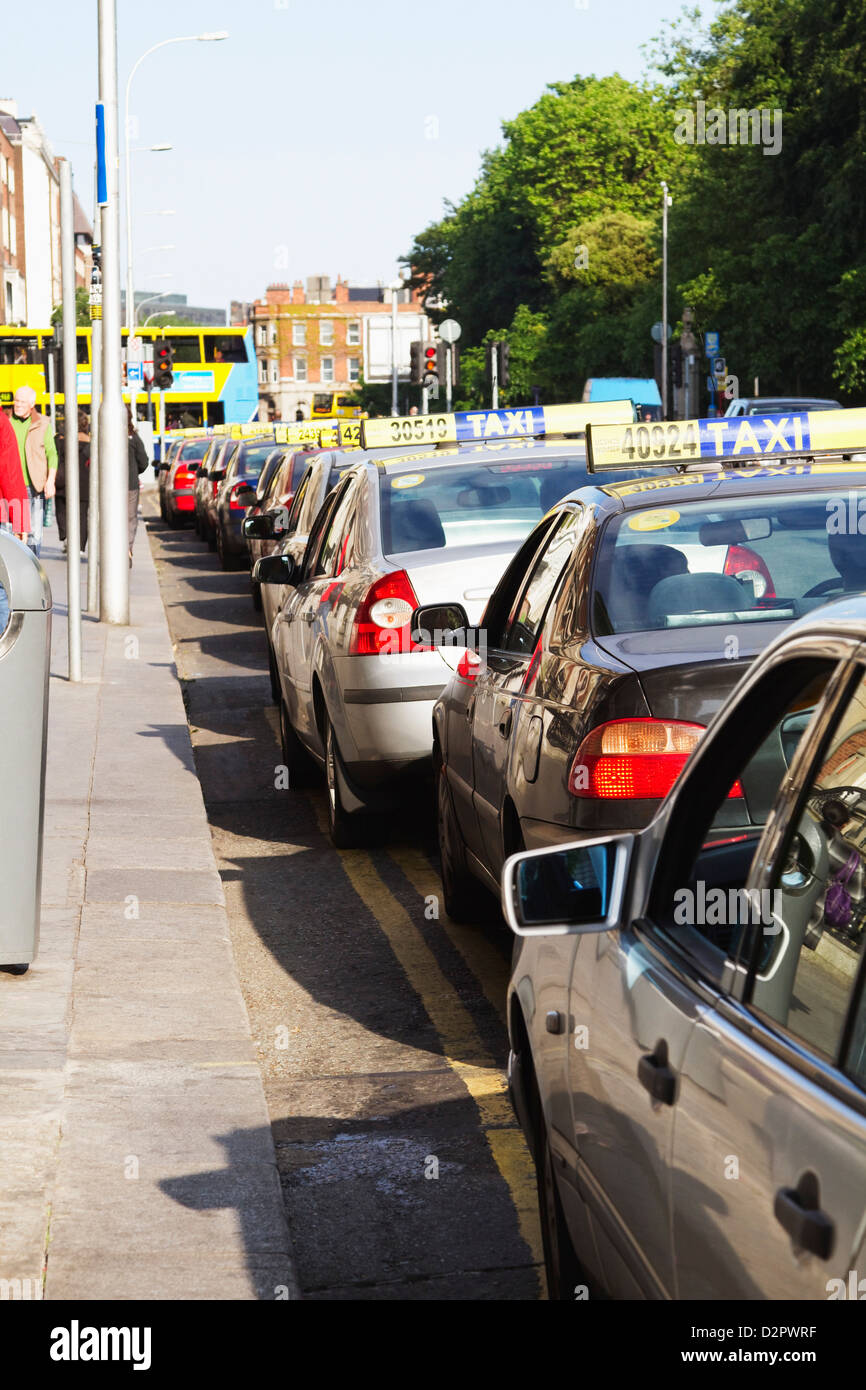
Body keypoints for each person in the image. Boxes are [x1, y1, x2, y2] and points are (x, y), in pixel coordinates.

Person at [9, 385, 57, 557]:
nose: (18, 404)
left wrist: (50, 480)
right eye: (16, 400)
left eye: (22, 401)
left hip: (34, 487)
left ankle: (32, 567)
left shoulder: (43, 423)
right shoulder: (7, 422)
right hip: (12, 487)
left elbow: (52, 454)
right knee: (11, 532)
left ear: (32, 404)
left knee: (34, 534)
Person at [55, 409, 91, 554]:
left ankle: (66, 537)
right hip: (84, 484)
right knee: (82, 515)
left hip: (64, 482)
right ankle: (81, 546)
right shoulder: (90, 442)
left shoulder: (63, 441)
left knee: (62, 510)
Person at [126, 403, 149, 566]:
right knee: (130, 518)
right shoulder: (133, 437)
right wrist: (134, 471)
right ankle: (127, 548)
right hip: (130, 485)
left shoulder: (104, 434)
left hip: (108, 487)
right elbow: (144, 461)